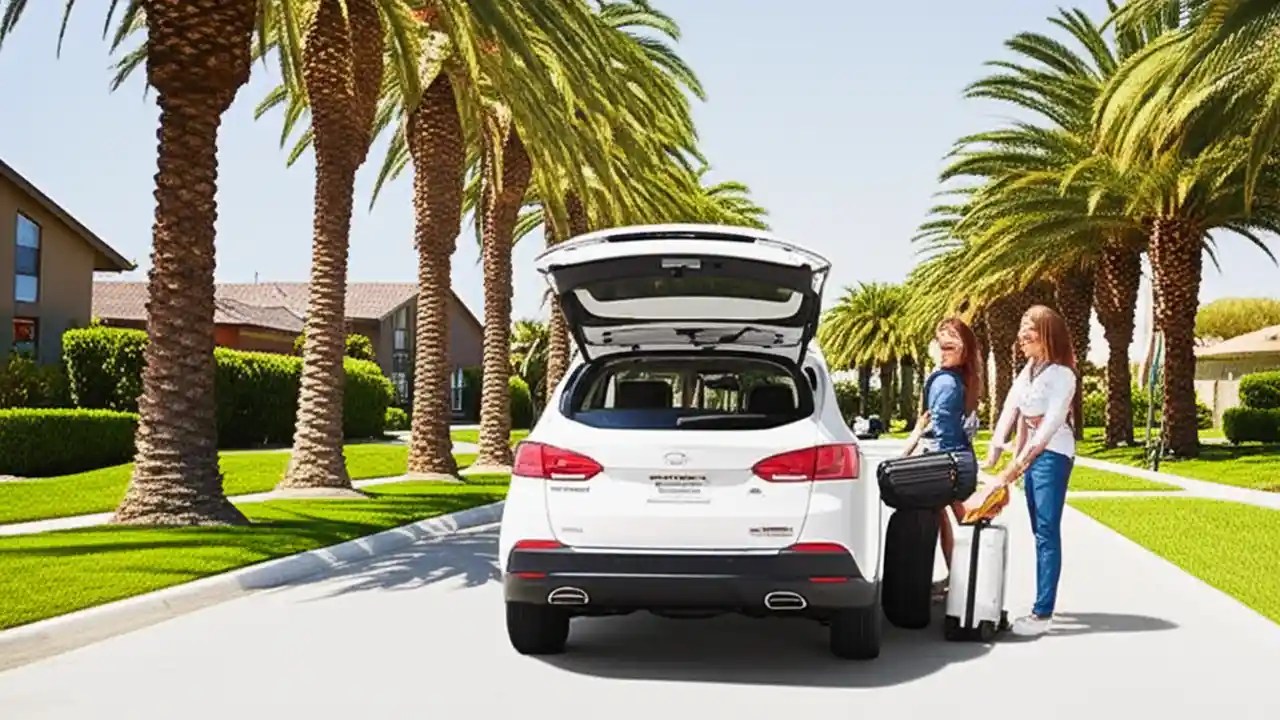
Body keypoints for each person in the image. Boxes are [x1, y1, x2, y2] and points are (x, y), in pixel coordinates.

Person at [985, 304, 1079, 637]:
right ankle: (1042, 605)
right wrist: (996, 446)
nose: (1021, 334)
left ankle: (1043, 613)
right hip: (1032, 455)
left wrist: (1019, 463)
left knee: (1046, 529)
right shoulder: (1029, 370)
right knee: (1039, 530)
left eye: (1029, 328)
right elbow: (1012, 405)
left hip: (1053, 455)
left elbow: (1050, 424)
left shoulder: (1063, 375)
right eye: (1022, 326)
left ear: (1046, 335)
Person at [902, 317, 984, 598]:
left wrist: (931, 466)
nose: (944, 345)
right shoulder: (963, 379)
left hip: (948, 462)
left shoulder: (945, 382)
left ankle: (963, 583)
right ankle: (958, 580)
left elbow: (944, 434)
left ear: (965, 348)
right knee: (945, 517)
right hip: (959, 461)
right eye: (941, 340)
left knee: (954, 517)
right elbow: (931, 424)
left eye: (951, 340)